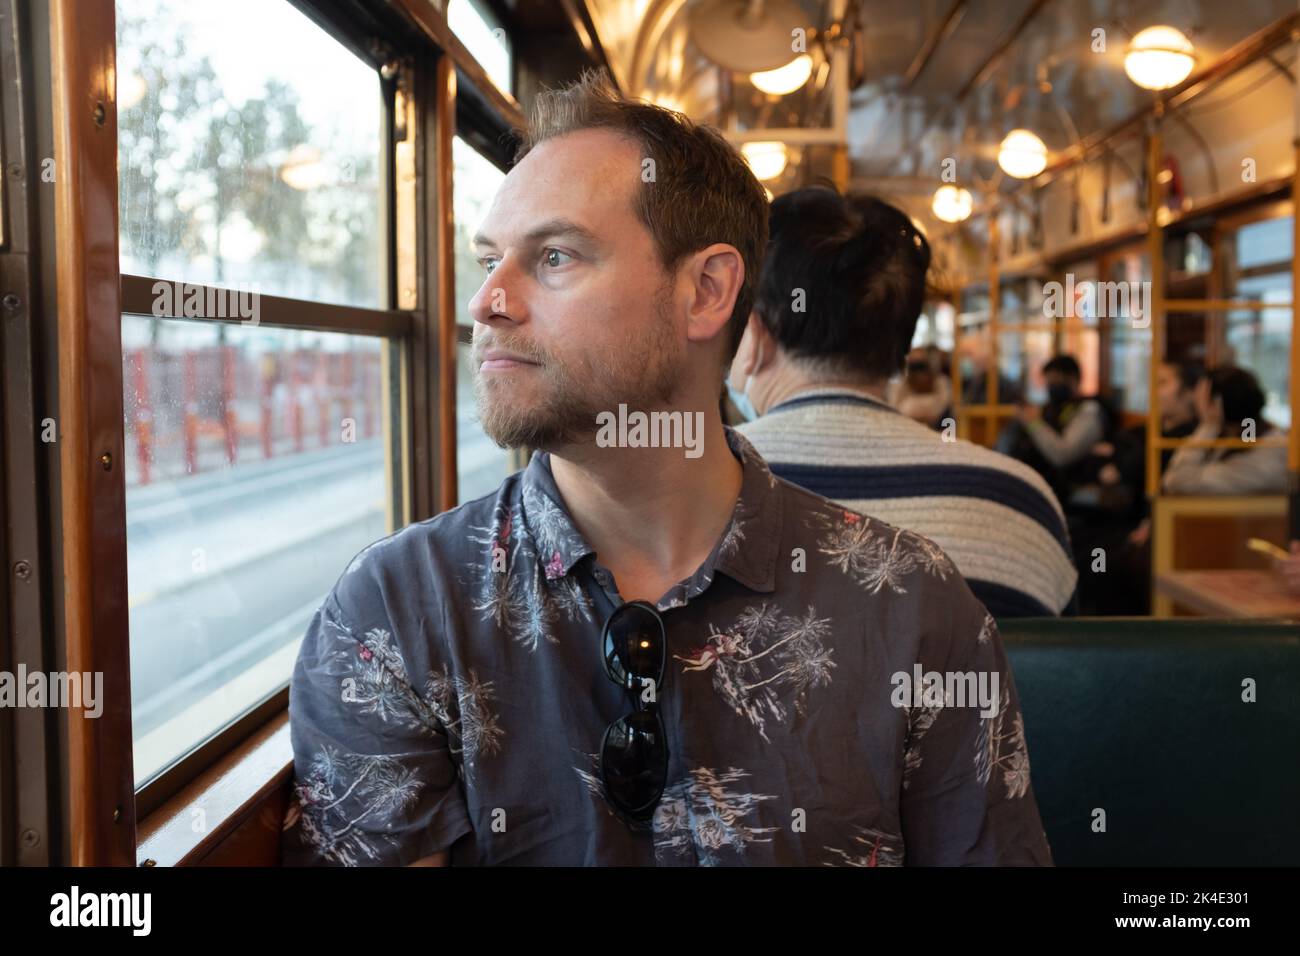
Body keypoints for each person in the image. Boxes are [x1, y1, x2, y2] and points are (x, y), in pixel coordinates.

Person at [280, 72, 1051, 866]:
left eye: (552, 256)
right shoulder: (395, 616)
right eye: (488, 260)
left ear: (707, 292)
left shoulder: (912, 606)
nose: (488, 301)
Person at [731, 186, 1076, 618]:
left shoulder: (693, 486)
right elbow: (1062, 681)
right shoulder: (1020, 501)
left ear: (756, 336)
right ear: (902, 343)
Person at [1162, 365, 1288, 495]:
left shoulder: (1268, 450)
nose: (1196, 402)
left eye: (1201, 397)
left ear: (1215, 404)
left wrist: (1208, 426)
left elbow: (1176, 481)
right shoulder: (1244, 431)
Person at [889, 345, 952, 428]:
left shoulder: (941, 382)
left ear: (929, 365)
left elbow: (941, 410)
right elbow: (895, 408)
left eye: (922, 366)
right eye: (914, 367)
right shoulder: (900, 385)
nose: (918, 373)